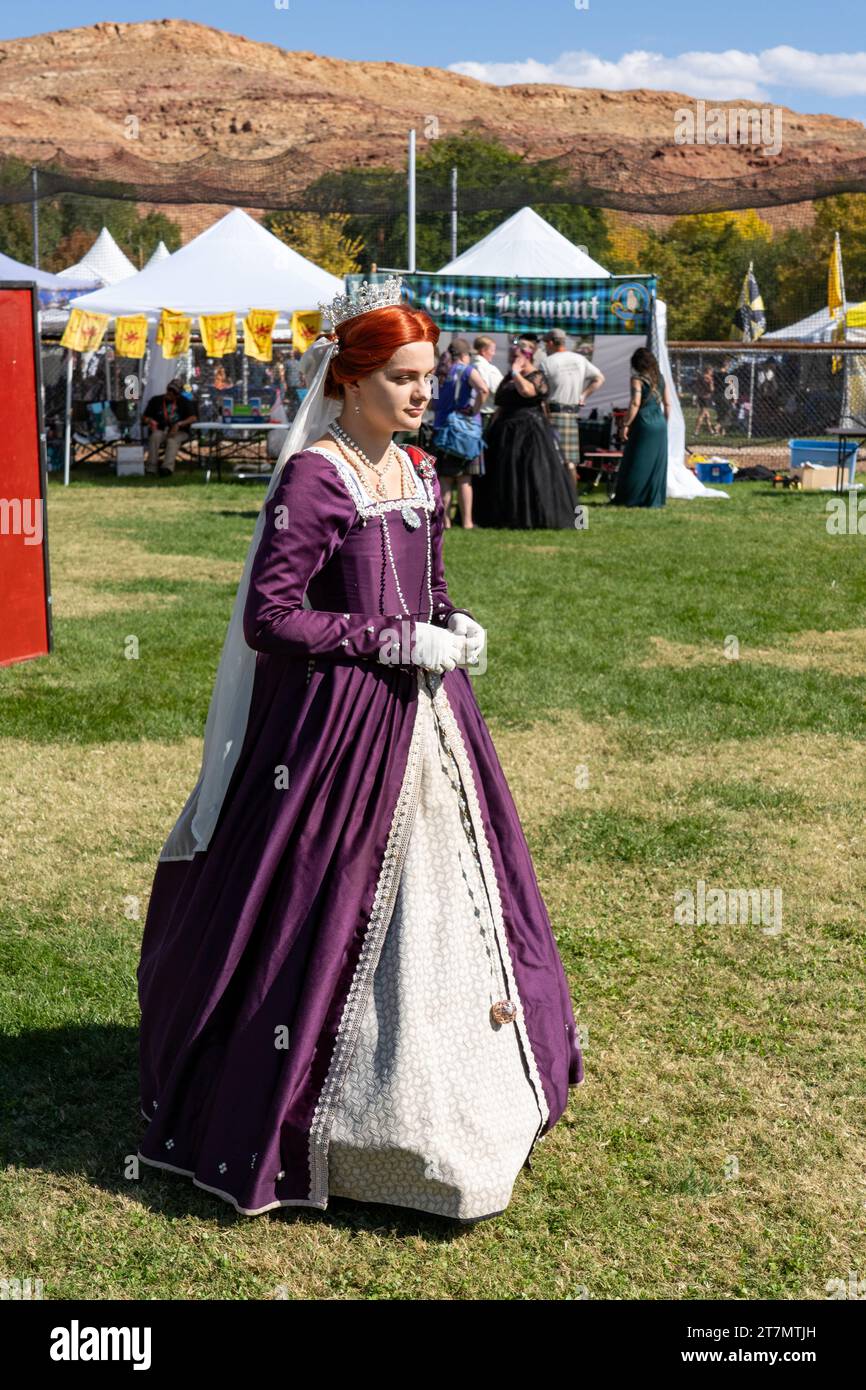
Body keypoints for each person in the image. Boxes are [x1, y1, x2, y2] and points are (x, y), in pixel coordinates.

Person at [135, 283, 584, 1223]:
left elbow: (429, 583)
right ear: (348, 380)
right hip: (335, 731)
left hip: (430, 717)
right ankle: (337, 1117)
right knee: (323, 902)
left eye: (426, 377)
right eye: (403, 378)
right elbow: (272, 618)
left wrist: (451, 621)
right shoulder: (317, 476)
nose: (425, 394)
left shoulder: (417, 470)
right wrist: (391, 641)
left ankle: (466, 1090)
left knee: (460, 902)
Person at [472, 338, 579, 529]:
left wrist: (516, 372)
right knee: (503, 474)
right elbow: (500, 403)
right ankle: (499, 516)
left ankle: (535, 515)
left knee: (531, 471)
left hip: (530, 430)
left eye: (517, 355)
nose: (513, 358)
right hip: (505, 429)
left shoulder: (536, 375)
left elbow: (528, 392)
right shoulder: (509, 377)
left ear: (527, 357)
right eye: (512, 355)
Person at [430, 337, 489, 529]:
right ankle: (467, 522)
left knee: (445, 479)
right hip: (464, 432)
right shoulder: (466, 370)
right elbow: (483, 389)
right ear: (465, 355)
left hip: (441, 430)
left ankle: (445, 521)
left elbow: (431, 403)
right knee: (465, 479)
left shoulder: (438, 373)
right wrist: (475, 409)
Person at [538, 329, 605, 486]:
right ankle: (571, 501)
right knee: (570, 463)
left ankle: (555, 496)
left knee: (550, 459)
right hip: (572, 415)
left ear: (550, 343)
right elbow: (600, 378)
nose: (544, 348)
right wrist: (584, 395)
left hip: (553, 414)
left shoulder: (546, 363)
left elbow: (540, 392)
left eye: (545, 344)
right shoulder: (579, 359)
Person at [610, 347, 670, 508]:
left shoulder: (637, 380)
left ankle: (632, 498)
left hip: (643, 423)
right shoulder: (661, 379)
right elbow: (668, 404)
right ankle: (653, 499)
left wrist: (625, 424)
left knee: (637, 461)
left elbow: (636, 403)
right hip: (660, 423)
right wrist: (664, 423)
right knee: (656, 464)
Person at [141, 380, 199, 476]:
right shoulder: (156, 400)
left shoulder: (185, 402)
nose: (170, 393)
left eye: (174, 392)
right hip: (161, 429)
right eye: (169, 390)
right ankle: (151, 468)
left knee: (172, 440)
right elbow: (144, 417)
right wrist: (150, 421)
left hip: (180, 431)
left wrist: (179, 424)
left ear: (178, 394)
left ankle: (167, 468)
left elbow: (193, 417)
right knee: (155, 436)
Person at [694, 366, 721, 436]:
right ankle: (696, 431)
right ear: (708, 371)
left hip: (700, 397)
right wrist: (712, 383)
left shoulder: (700, 378)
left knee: (707, 416)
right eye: (711, 371)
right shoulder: (709, 379)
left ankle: (711, 431)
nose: (712, 372)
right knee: (701, 415)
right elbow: (711, 389)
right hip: (706, 398)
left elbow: (696, 387)